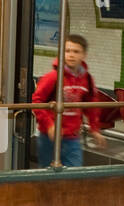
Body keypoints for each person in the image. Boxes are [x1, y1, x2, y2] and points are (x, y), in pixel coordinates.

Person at [32, 34, 106, 167]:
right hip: (50, 138)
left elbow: (92, 106)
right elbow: (37, 101)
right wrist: (49, 125)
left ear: (84, 55)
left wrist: (95, 129)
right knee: (46, 177)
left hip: (72, 138)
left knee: (73, 178)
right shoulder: (52, 77)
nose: (71, 55)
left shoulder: (87, 79)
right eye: (67, 51)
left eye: (76, 52)